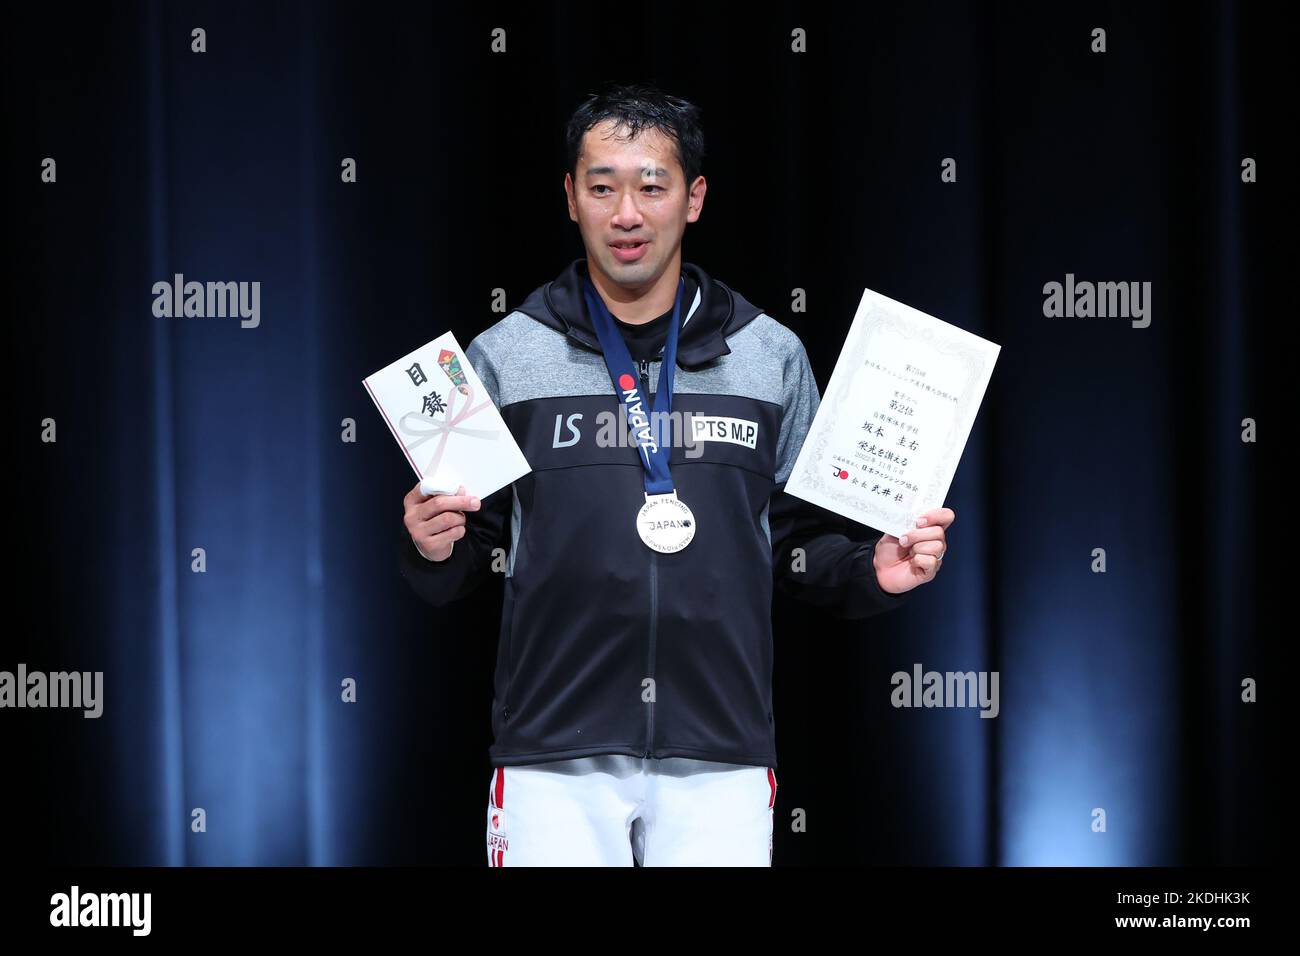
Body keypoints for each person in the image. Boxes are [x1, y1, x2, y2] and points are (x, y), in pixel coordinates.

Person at [399, 83, 953, 866]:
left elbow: (798, 542)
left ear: (693, 199)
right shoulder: (502, 355)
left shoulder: (770, 356)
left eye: (651, 186)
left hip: (720, 751)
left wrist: (874, 570)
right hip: (551, 751)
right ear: (570, 198)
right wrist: (431, 546)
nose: (627, 213)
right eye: (602, 187)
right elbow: (464, 557)